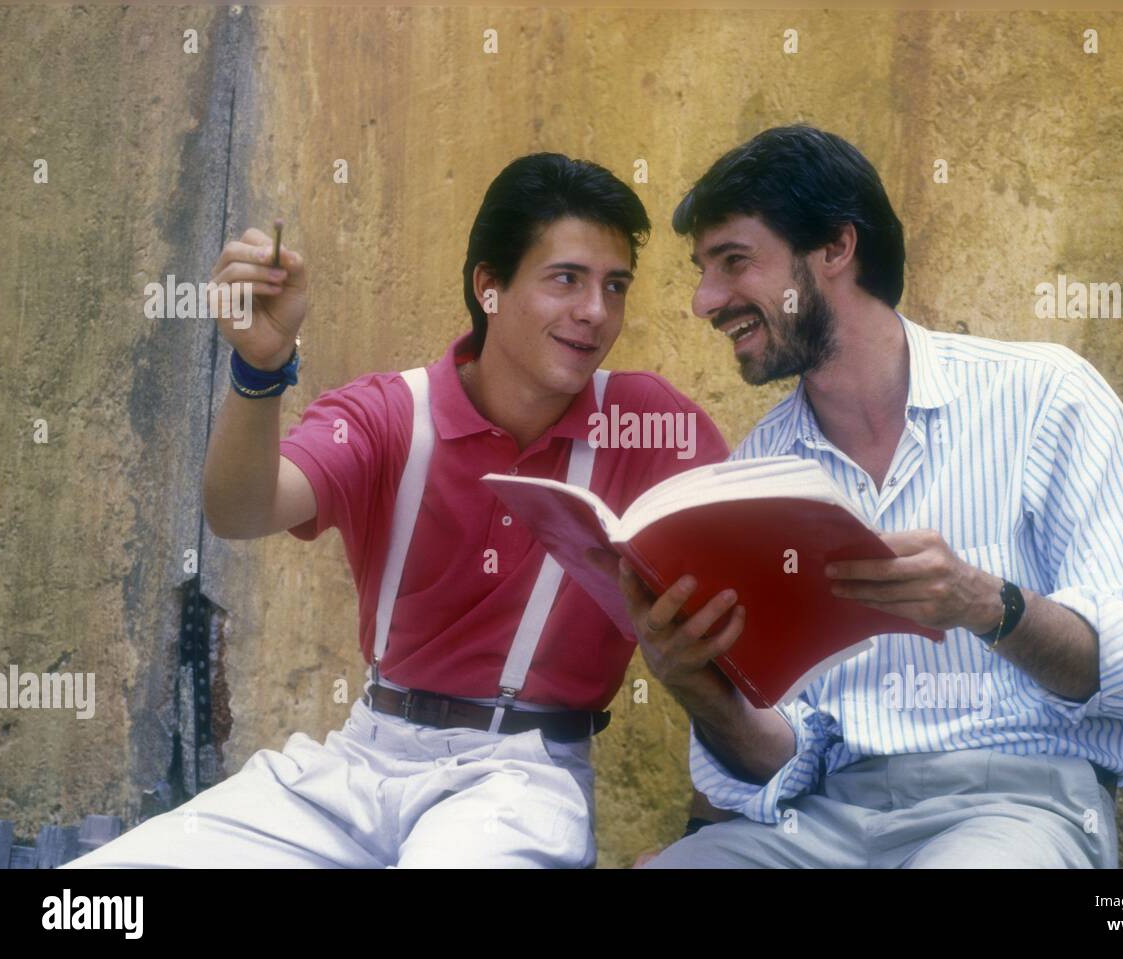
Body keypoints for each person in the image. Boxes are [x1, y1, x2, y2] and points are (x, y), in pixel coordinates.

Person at [65, 153, 727, 869]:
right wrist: (259, 369)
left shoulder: (652, 425)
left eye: (615, 286)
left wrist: (709, 828)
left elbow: (744, 597)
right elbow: (240, 509)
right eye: (566, 278)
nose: (596, 312)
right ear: (490, 287)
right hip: (361, 758)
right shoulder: (390, 413)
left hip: (522, 776)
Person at [609, 125, 1123, 868]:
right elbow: (781, 753)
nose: (705, 301)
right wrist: (692, 681)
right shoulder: (759, 467)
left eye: (733, 262)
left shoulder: (1046, 397)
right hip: (819, 823)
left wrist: (988, 604)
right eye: (703, 270)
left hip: (1013, 806)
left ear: (834, 249)